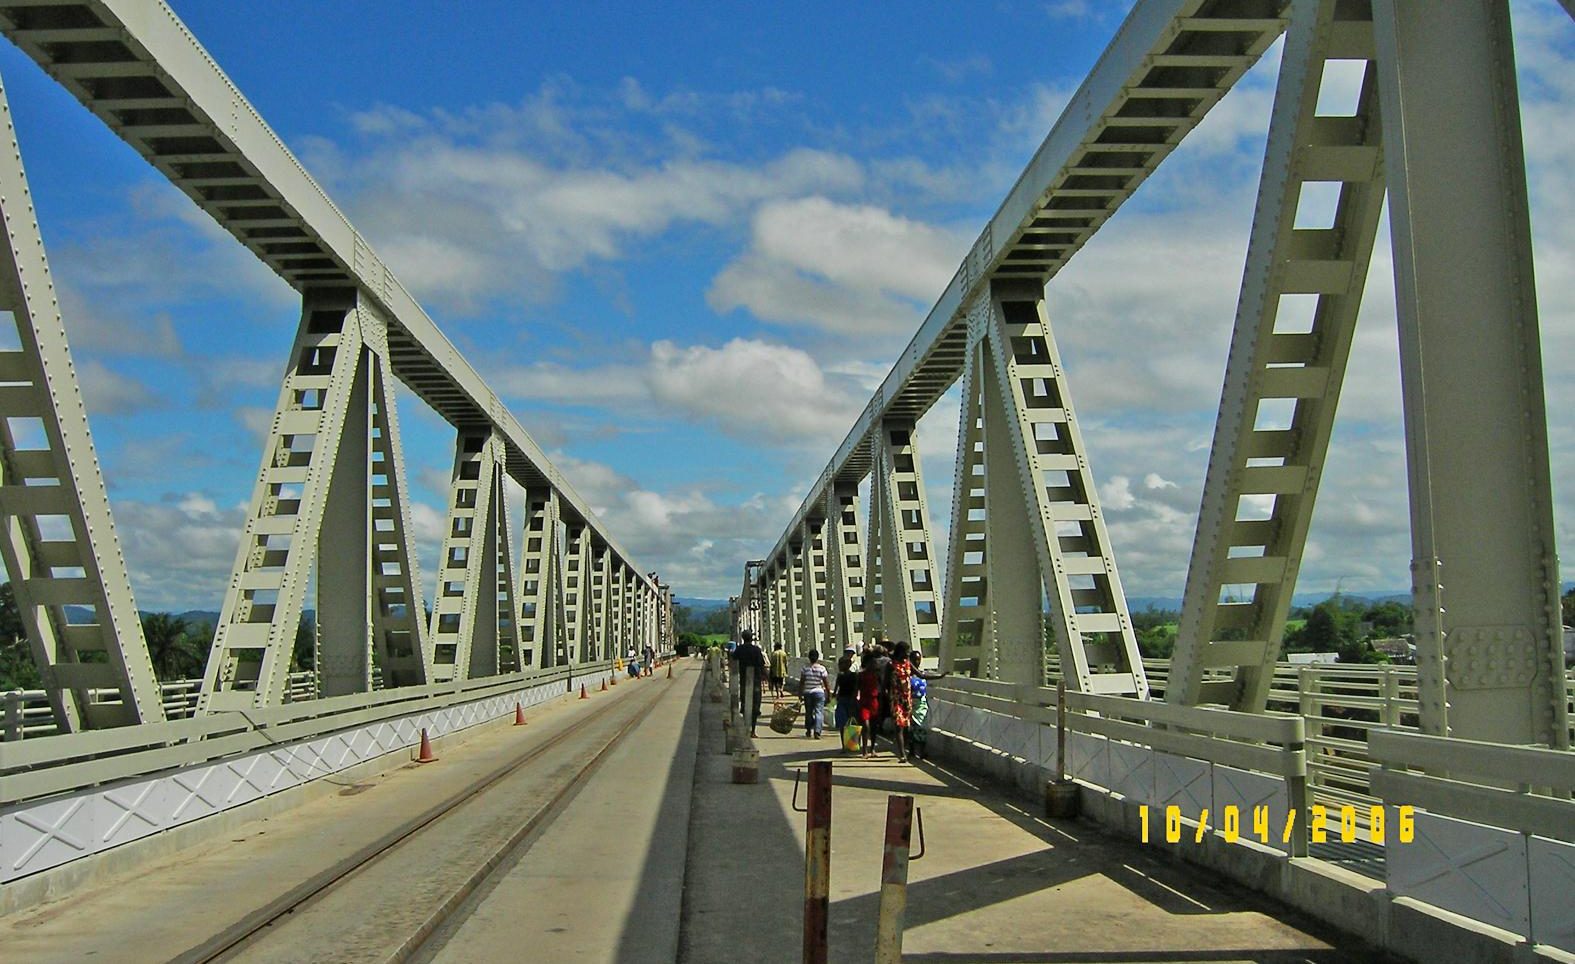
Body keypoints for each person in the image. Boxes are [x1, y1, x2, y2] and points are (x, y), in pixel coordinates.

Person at [732, 630, 767, 736]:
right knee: (755, 706)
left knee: (745, 703)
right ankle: (753, 730)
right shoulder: (756, 650)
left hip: (744, 680)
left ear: (743, 638)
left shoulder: (739, 650)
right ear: (751, 638)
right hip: (756, 680)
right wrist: (766, 677)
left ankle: (746, 725)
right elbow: (762, 665)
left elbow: (733, 661)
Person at [888, 641, 914, 762]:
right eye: (906, 651)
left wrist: (939, 677)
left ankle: (908, 750)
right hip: (896, 699)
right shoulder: (891, 665)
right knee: (899, 726)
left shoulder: (908, 664)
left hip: (907, 700)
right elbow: (886, 682)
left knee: (907, 727)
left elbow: (920, 674)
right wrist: (888, 699)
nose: (908, 653)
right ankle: (902, 754)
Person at [856, 651, 883, 758]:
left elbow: (881, 688)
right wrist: (855, 701)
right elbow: (857, 689)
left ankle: (872, 749)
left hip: (874, 701)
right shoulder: (861, 675)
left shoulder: (877, 675)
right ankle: (864, 750)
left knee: (874, 726)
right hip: (864, 701)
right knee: (865, 725)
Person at [798, 650, 830, 739]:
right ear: (817, 658)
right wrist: (829, 694)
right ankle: (817, 731)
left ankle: (808, 730)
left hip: (807, 693)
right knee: (819, 712)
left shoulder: (805, 668)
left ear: (809, 657)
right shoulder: (822, 668)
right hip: (819, 692)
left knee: (808, 712)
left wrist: (800, 694)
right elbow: (826, 683)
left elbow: (802, 682)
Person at [832, 653, 858, 746]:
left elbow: (836, 690)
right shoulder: (853, 675)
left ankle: (847, 744)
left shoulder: (843, 676)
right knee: (850, 723)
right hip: (848, 700)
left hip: (845, 700)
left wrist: (833, 697)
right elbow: (856, 689)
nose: (839, 666)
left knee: (844, 724)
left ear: (847, 664)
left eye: (841, 664)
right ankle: (851, 743)